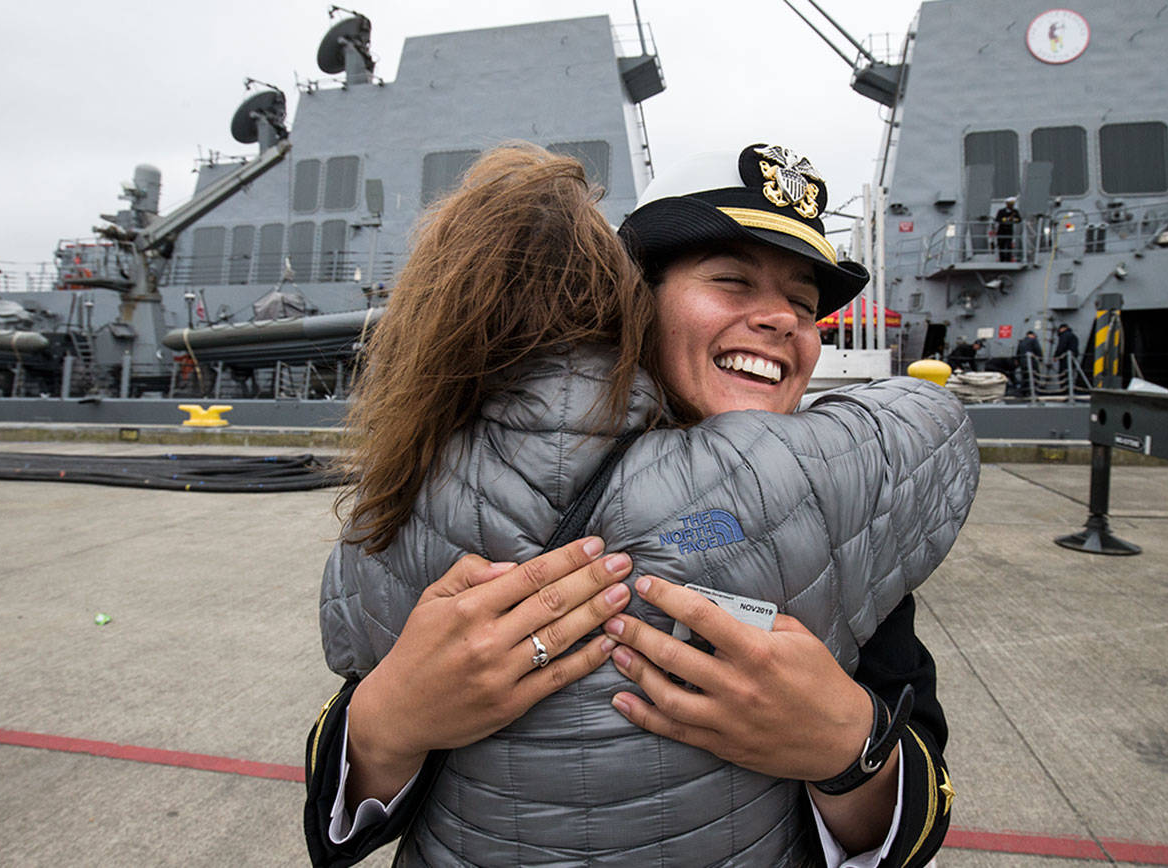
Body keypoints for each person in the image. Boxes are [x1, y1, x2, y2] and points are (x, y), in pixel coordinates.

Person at [307, 143, 978, 866]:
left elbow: (918, 804)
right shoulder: (467, 492)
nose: (783, 319)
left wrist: (849, 748)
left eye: (805, 305)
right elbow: (336, 821)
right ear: (636, 298)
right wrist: (386, 723)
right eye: (731, 280)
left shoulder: (843, 531)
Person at [994, 196, 1021, 262]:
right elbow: (998, 219)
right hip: (1001, 230)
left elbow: (1019, 220)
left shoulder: (1015, 212)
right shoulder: (1001, 211)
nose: (1011, 205)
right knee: (1001, 245)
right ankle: (1002, 259)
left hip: (1009, 230)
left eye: (1012, 204)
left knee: (1009, 245)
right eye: (1010, 204)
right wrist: (1007, 219)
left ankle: (1008, 259)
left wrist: (1013, 219)